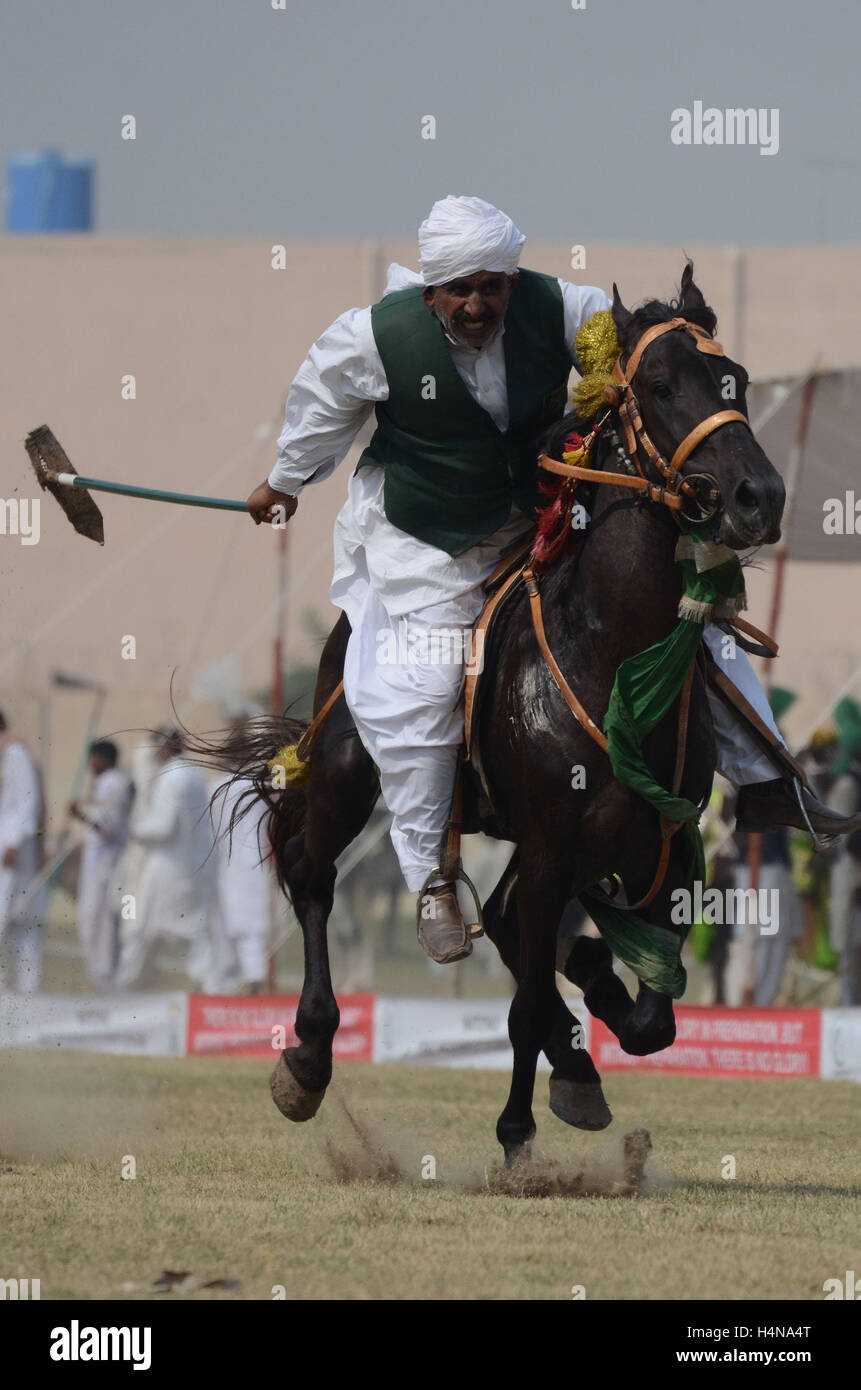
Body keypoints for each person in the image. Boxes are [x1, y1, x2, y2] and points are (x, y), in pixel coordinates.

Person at [246, 194, 861, 965]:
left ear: (510, 277)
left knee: (679, 618)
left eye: (492, 286)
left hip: (530, 515)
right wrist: (285, 480)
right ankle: (433, 880)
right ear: (432, 290)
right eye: (460, 290)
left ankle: (769, 777)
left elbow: (626, 353)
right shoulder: (374, 337)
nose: (478, 304)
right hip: (422, 541)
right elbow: (317, 403)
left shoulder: (558, 307)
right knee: (427, 681)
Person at [116, 727, 218, 991]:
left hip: (167, 868)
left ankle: (122, 990)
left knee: (139, 930)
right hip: (191, 868)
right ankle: (212, 989)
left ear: (164, 748)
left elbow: (163, 827)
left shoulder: (171, 776)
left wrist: (133, 830)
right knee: (194, 933)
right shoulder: (195, 775)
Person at [68, 739, 134, 990]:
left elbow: (109, 829)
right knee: (97, 931)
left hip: (108, 872)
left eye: (93, 758)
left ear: (104, 759)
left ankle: (109, 990)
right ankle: (106, 986)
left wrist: (80, 815)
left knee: (101, 932)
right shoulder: (109, 784)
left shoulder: (111, 783)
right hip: (102, 870)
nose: (90, 764)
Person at [0, 710, 45, 992]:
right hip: (7, 849)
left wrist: (14, 842)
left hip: (13, 853)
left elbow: (29, 801)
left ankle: (28, 992)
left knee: (19, 920)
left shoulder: (16, 754)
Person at [827, 698, 861, 1005]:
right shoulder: (850, 781)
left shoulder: (850, 780)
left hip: (851, 873)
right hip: (852, 872)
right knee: (850, 945)